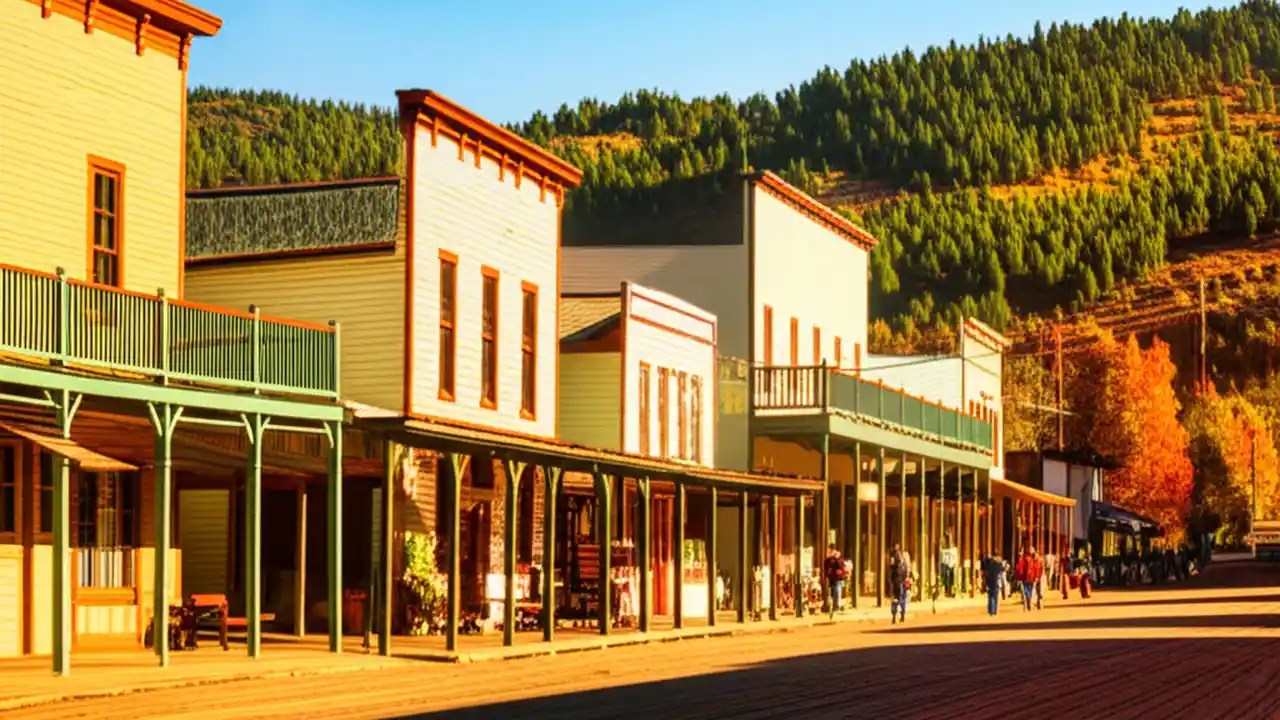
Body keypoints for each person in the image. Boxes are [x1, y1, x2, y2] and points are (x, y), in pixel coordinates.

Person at [823, 544, 847, 618]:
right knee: (832, 592)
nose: (831, 552)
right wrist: (826, 574)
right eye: (830, 550)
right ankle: (833, 605)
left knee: (837, 589)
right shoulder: (828, 560)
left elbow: (841, 566)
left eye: (832, 550)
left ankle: (837, 605)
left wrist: (836, 558)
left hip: (838, 578)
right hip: (831, 578)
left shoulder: (839, 559)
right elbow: (825, 566)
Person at [890, 544, 912, 624]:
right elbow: (892, 576)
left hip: (901, 585)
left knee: (900, 600)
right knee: (897, 600)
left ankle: (901, 615)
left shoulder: (902, 565)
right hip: (898, 585)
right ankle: (895, 615)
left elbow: (906, 575)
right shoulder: (895, 566)